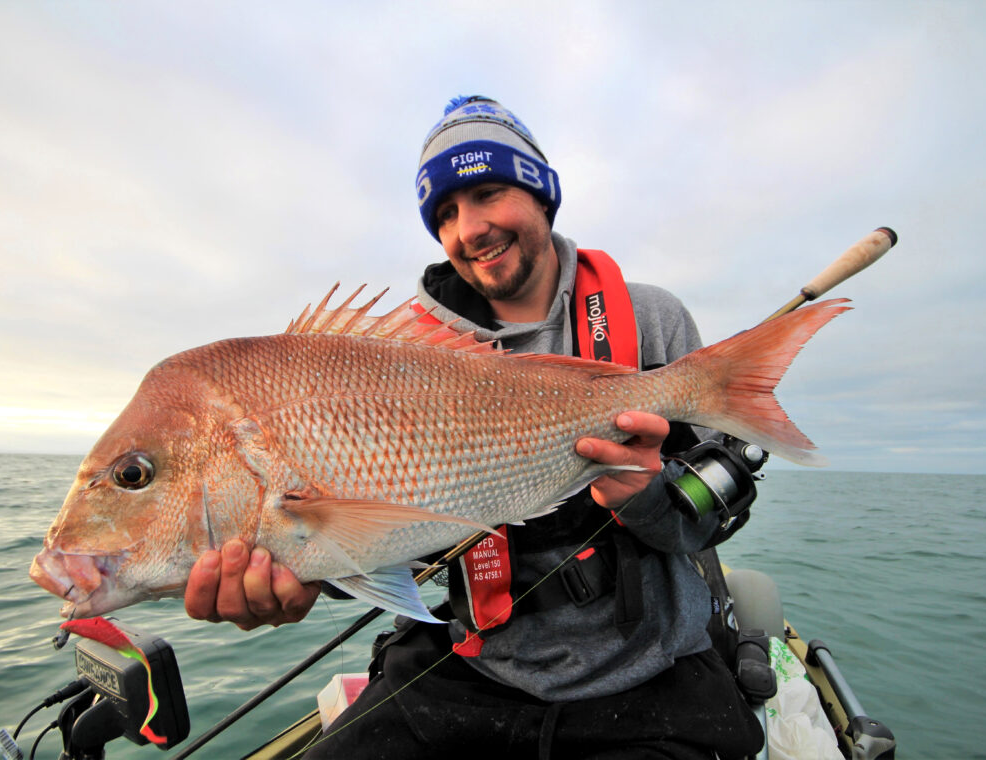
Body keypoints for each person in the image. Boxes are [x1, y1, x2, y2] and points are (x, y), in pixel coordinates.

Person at [184, 96, 764, 759]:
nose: (470, 228)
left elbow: (703, 525)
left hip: (648, 673)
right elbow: (403, 547)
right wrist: (307, 574)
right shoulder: (403, 356)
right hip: (473, 668)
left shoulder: (649, 320)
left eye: (489, 192)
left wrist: (650, 497)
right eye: (445, 215)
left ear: (543, 194)